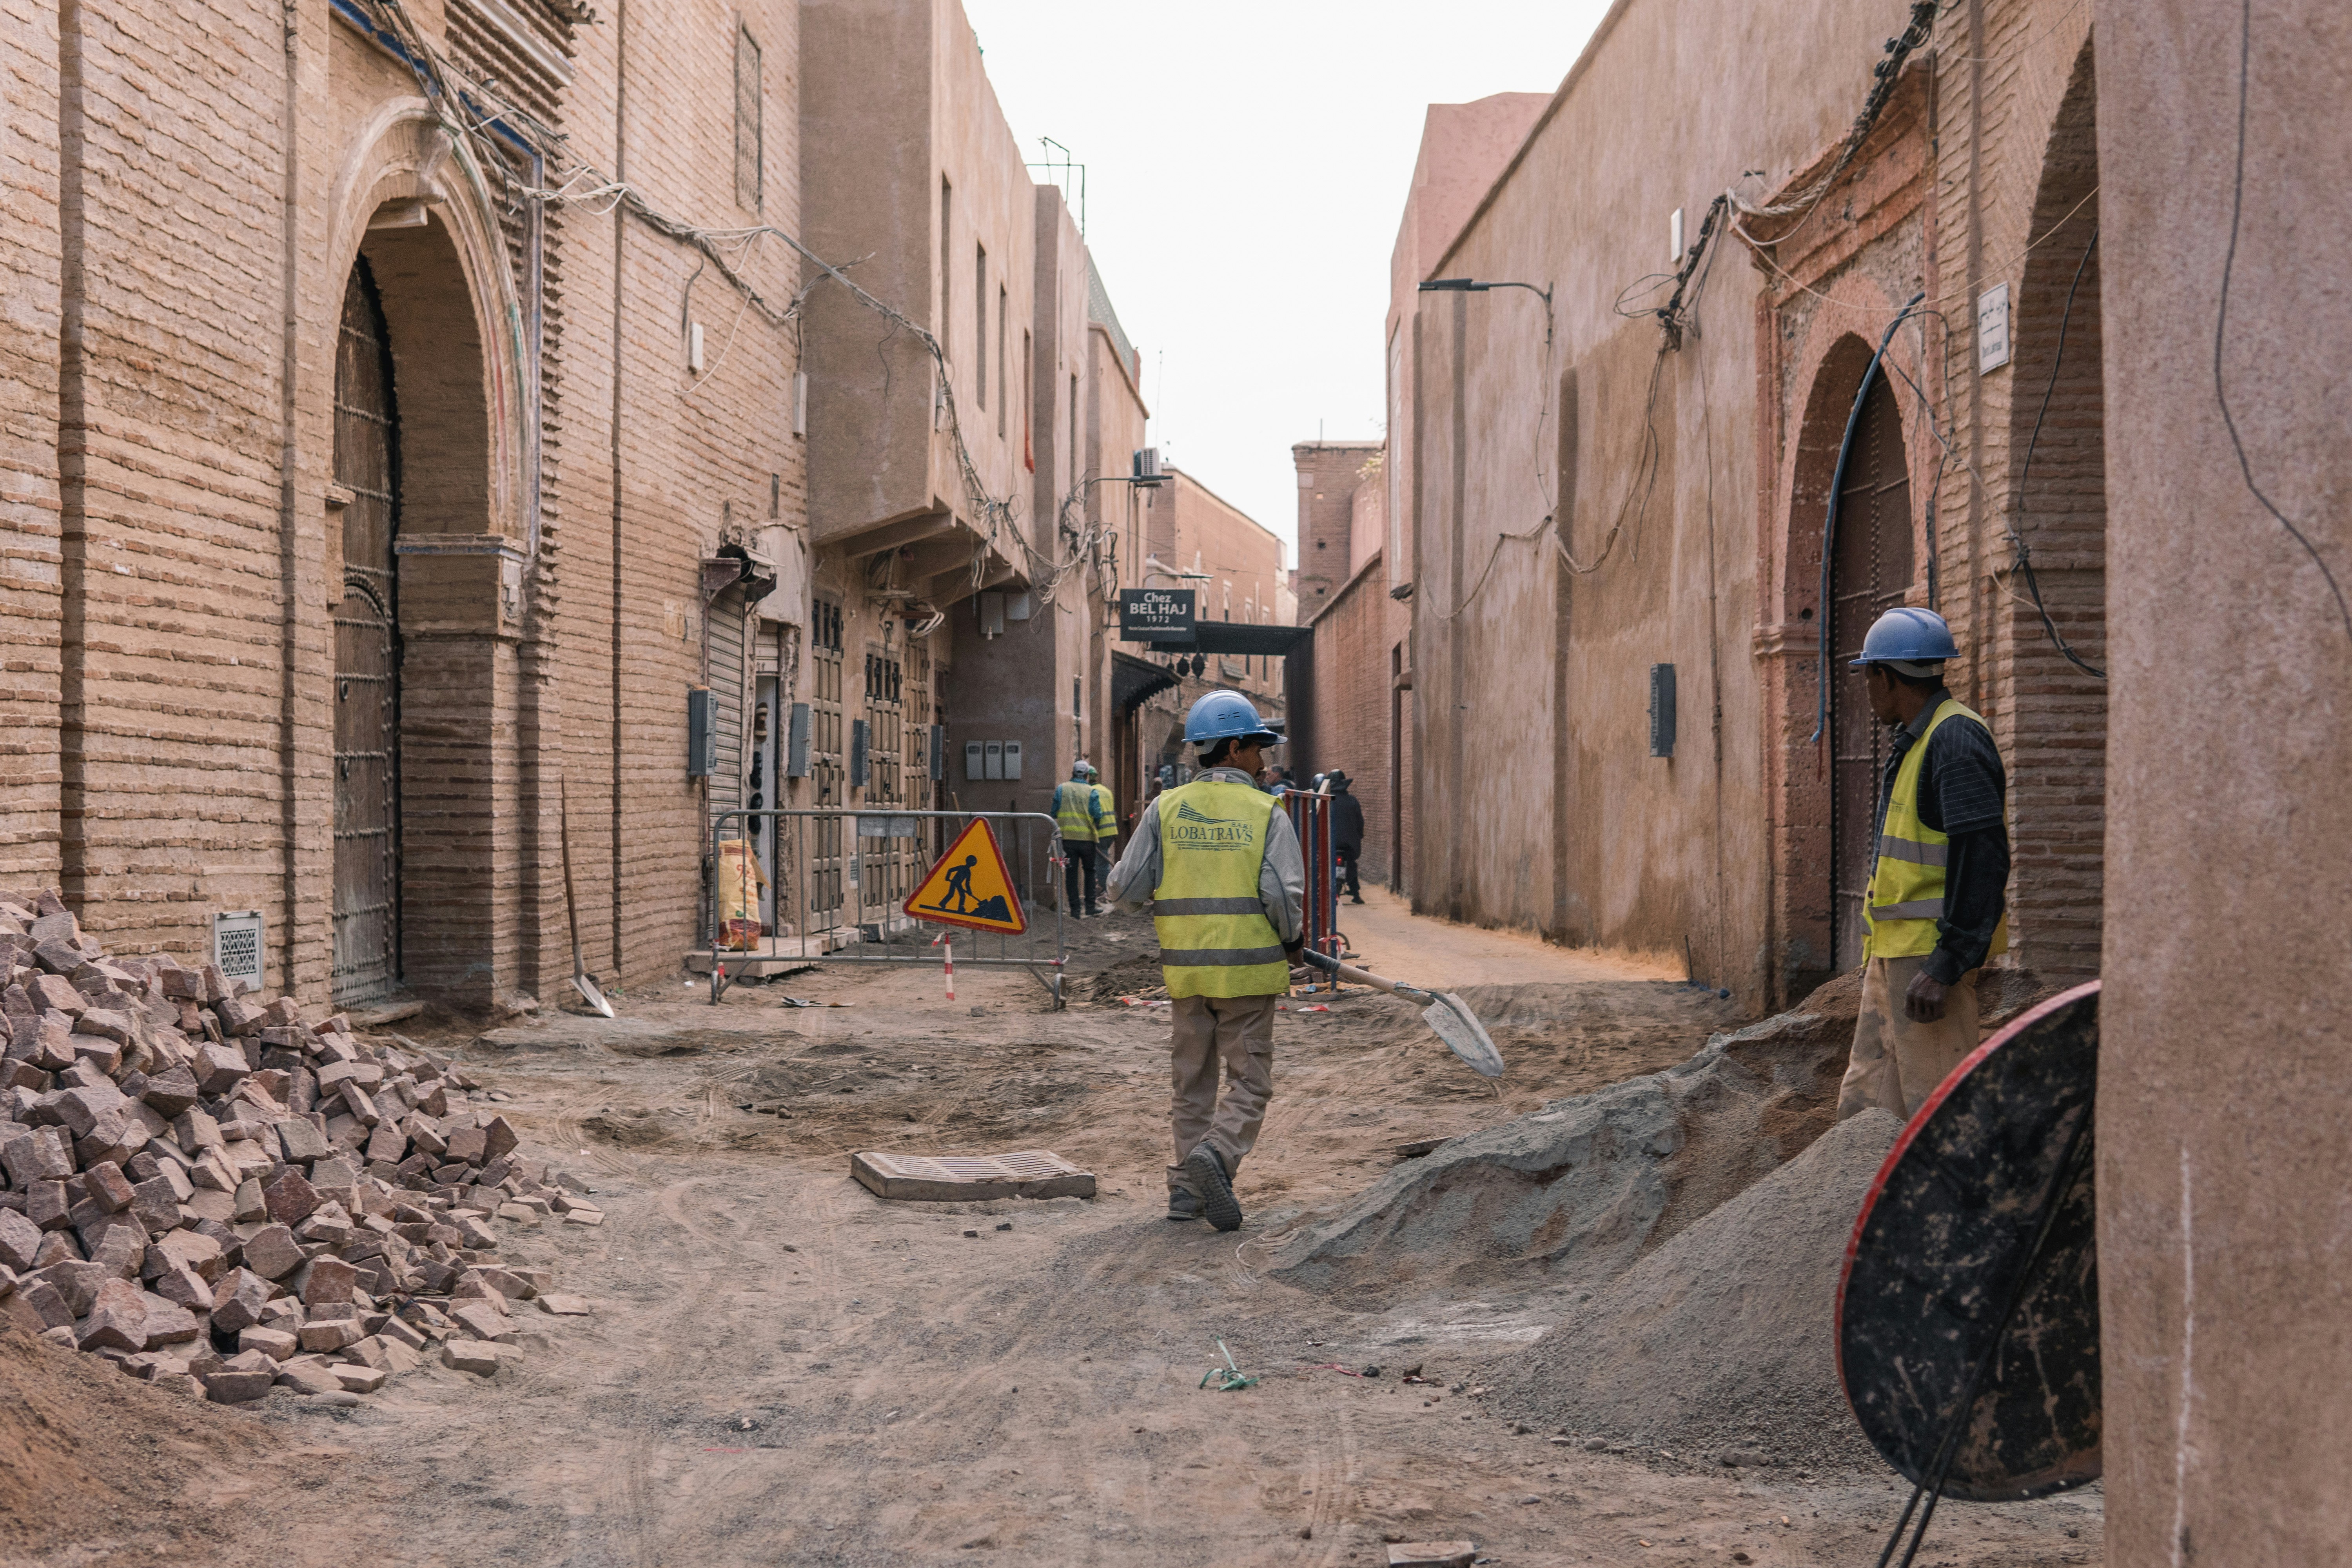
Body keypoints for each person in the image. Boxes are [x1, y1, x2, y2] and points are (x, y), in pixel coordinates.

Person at [1105, 690, 1305, 1232]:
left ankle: (1185, 1195)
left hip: (1187, 975)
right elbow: (1283, 896)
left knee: (1191, 1083)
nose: (1264, 761)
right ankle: (1215, 1156)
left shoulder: (1165, 808)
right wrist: (1293, 943)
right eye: (1259, 749)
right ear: (1235, 748)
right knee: (1251, 1082)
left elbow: (1123, 890)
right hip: (1249, 973)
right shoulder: (1267, 811)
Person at [1835, 606, 2010, 1121]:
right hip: (1896, 959)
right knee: (1866, 1111)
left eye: (1869, 675)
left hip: (1928, 966)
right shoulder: (1919, 739)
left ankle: (1957, 1204)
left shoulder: (1954, 742)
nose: (1866, 689)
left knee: (1937, 1120)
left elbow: (1984, 858)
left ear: (1887, 677)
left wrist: (1946, 964)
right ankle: (1858, 1203)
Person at [1052, 761, 1104, 918]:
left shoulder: (1062, 789)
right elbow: (1098, 815)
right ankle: (1090, 907)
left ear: (1073, 773)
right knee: (1090, 872)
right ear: (1087, 775)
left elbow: (1054, 812)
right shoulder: (1092, 792)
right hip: (1087, 841)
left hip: (1067, 841)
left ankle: (1075, 910)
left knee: (1071, 874)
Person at [1325, 769, 1365, 904]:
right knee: (1351, 865)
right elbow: (1360, 821)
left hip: (1331, 843)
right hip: (1350, 844)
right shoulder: (1352, 801)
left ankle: (1332, 892)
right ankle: (1356, 894)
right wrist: (1359, 834)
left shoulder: (1326, 801)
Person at [1083, 763, 1117, 866]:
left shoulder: (1091, 791)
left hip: (1101, 832)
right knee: (1101, 861)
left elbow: (1096, 814)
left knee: (1102, 864)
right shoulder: (1106, 790)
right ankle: (1102, 881)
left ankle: (1105, 882)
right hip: (1112, 831)